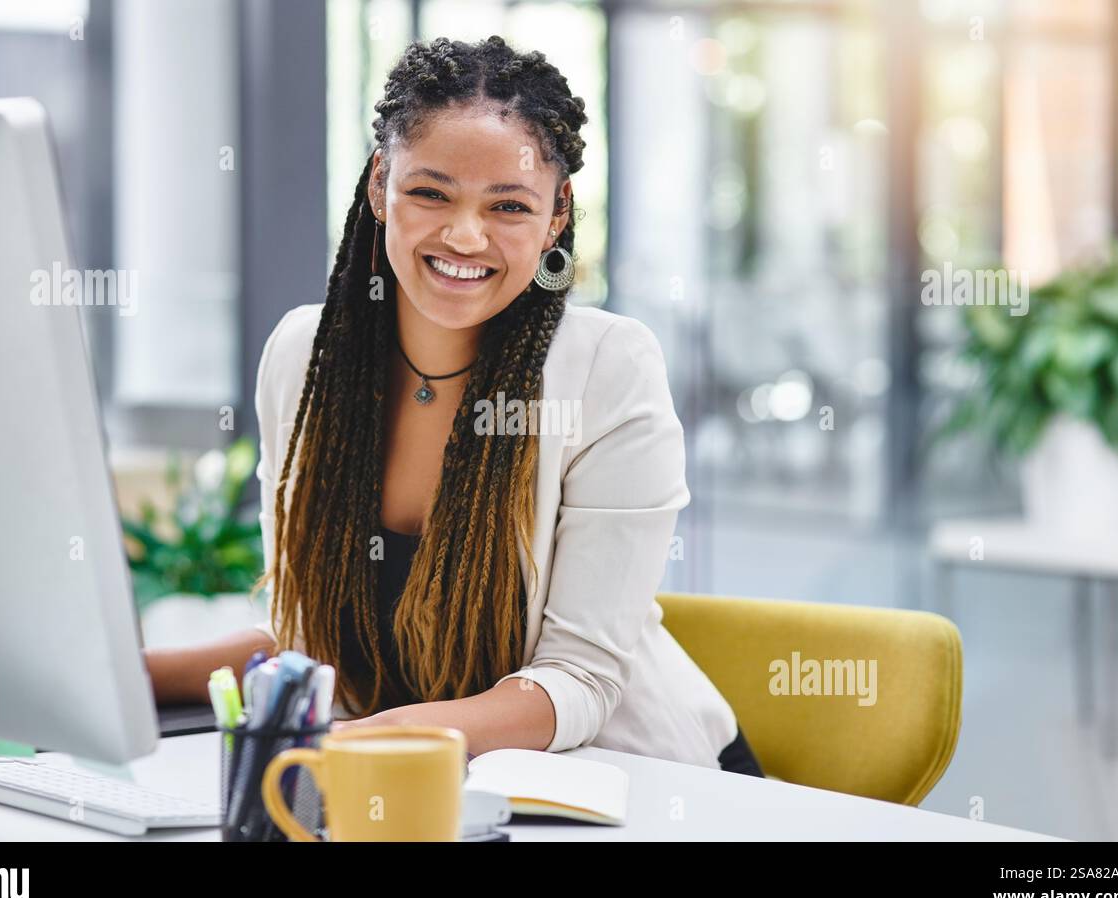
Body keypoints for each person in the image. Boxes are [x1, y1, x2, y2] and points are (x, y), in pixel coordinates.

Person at [146, 34, 763, 778]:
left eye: (508, 205)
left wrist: (360, 742)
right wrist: (128, 673)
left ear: (557, 215)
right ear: (380, 185)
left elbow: (577, 683)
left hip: (617, 780)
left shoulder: (609, 369)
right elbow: (311, 645)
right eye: (431, 193)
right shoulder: (302, 357)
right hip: (412, 783)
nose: (464, 236)